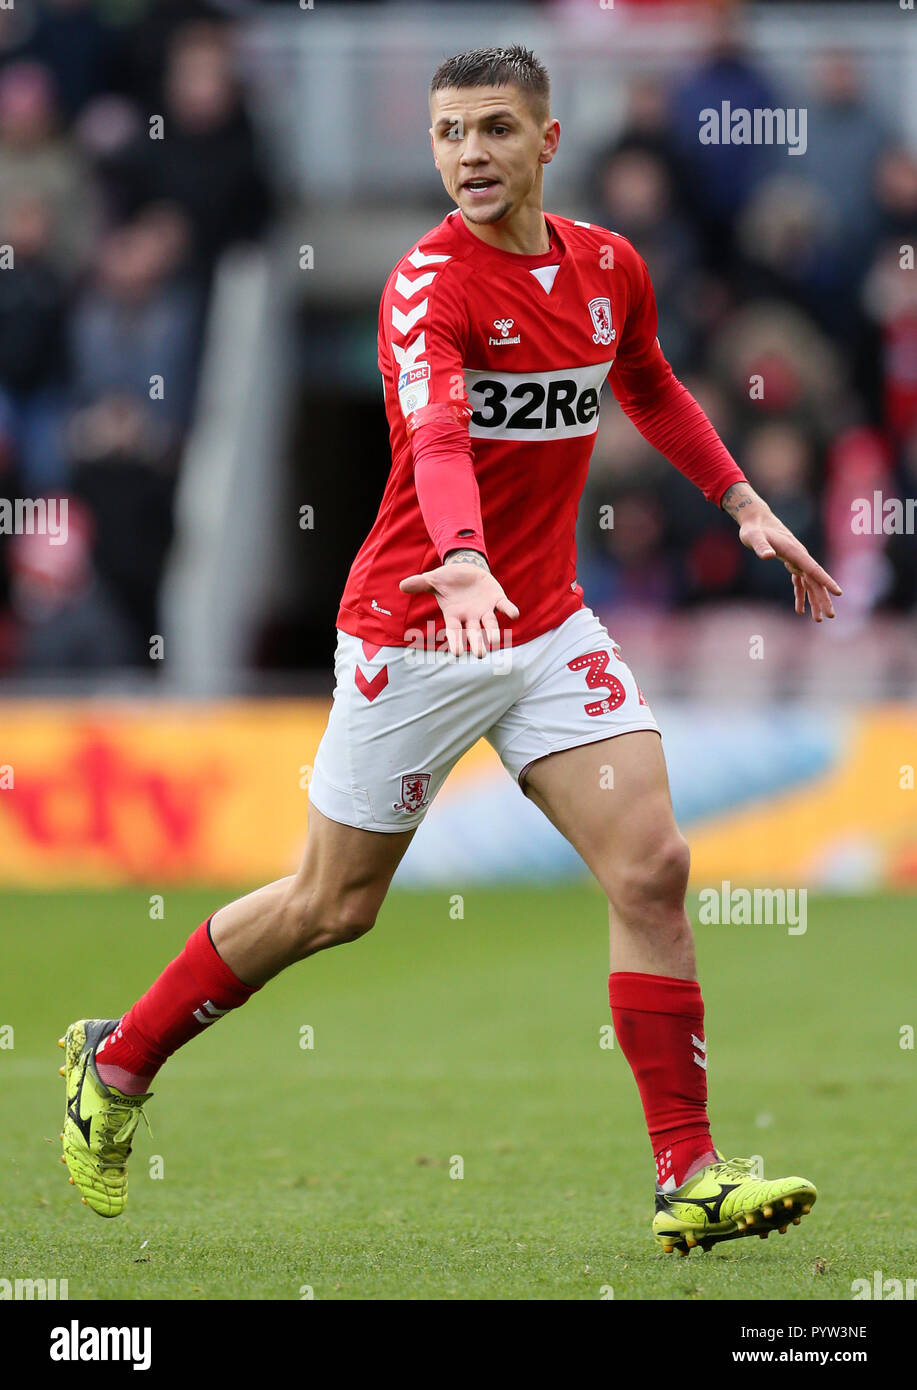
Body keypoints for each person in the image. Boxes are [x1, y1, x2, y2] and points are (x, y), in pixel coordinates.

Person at [60, 45, 840, 1257]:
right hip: (417, 625)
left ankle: (684, 1172)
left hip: (540, 622)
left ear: (546, 140)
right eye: (445, 134)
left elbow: (647, 381)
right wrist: (464, 551)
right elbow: (432, 433)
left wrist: (740, 500)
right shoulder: (427, 285)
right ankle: (117, 1061)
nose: (466, 154)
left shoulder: (606, 265)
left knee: (651, 868)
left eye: (490, 129)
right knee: (332, 906)